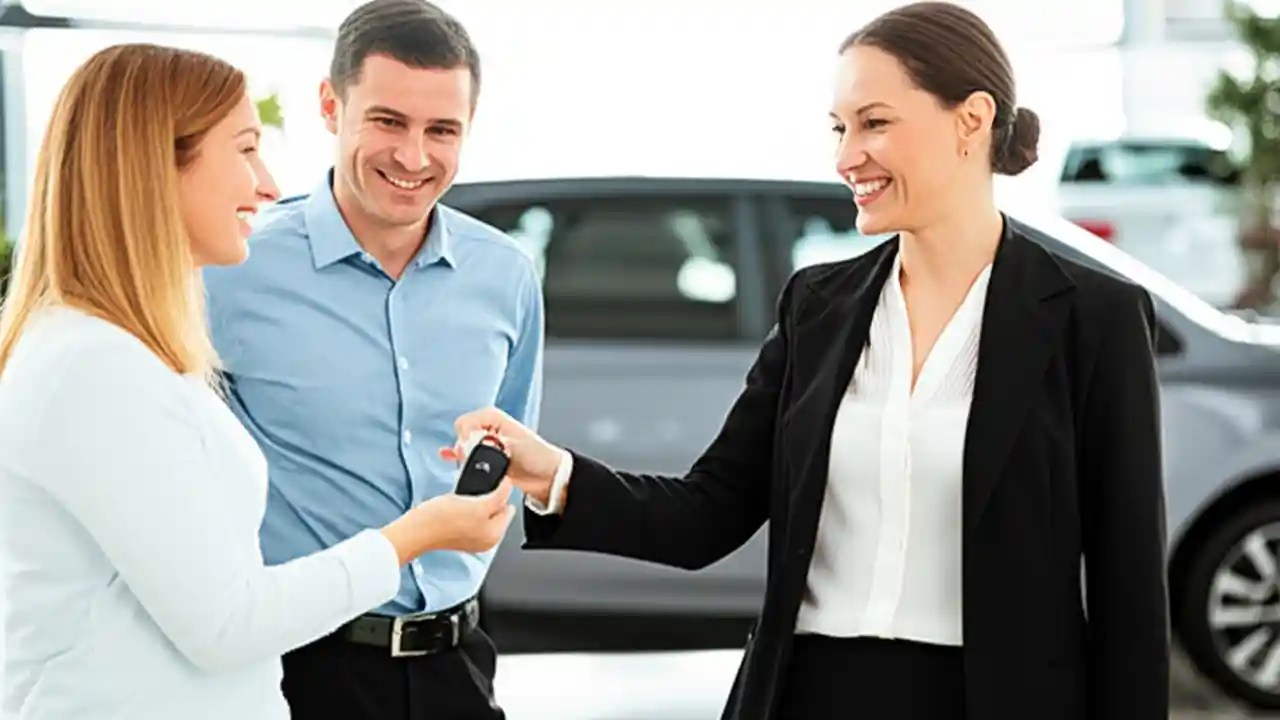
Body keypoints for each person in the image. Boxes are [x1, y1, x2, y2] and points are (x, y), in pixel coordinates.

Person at [446, 3, 1170, 719]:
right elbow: (708, 514)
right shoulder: (819, 306)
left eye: (875, 122)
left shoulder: (1093, 318)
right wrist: (558, 475)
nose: (847, 154)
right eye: (840, 127)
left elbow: (1128, 589)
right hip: (811, 692)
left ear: (971, 120)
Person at [0, 44, 515, 720]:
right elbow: (226, 625)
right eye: (244, 150)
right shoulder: (90, 369)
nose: (267, 184)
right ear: (156, 168)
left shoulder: (125, 355)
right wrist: (414, 535)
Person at [202, 1, 543, 718]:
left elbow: (510, 448)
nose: (414, 157)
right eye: (388, 121)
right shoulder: (230, 267)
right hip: (295, 673)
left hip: (459, 665)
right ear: (332, 106)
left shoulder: (506, 275)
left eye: (441, 130)